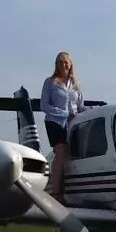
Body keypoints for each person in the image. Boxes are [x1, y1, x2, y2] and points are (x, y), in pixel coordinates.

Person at [40, 51, 84, 201]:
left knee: (71, 154)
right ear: (56, 65)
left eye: (66, 62)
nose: (63, 64)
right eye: (60, 62)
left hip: (71, 124)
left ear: (71, 64)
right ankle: (56, 192)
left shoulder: (76, 84)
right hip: (54, 121)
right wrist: (64, 113)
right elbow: (44, 105)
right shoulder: (49, 82)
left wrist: (93, 110)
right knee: (60, 152)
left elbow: (80, 106)